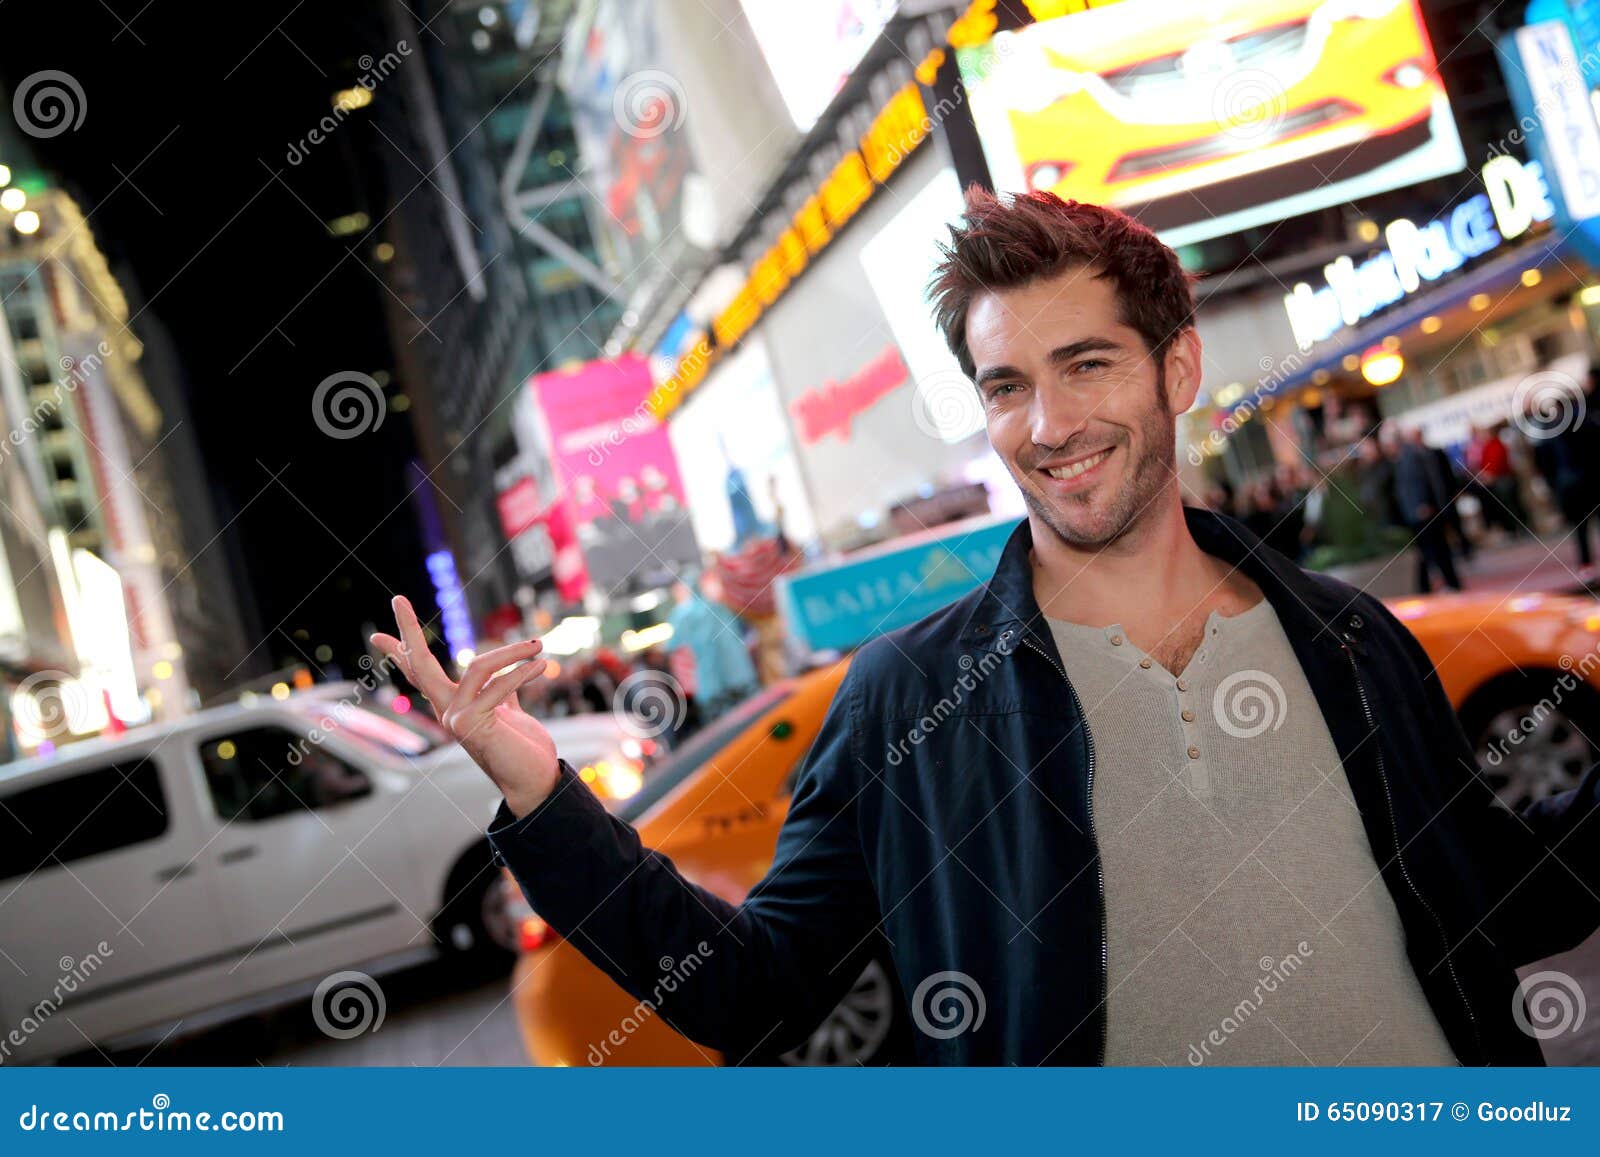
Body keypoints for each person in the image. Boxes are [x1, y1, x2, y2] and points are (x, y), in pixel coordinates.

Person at [374, 190, 1600, 1066]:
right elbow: (751, 990)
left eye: (1086, 365)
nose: (1048, 422)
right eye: (1007, 384)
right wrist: (543, 795)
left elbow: (1516, 899)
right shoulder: (908, 700)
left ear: (1176, 369)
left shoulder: (1348, 638)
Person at [662, 567, 759, 723]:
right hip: (735, 671)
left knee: (724, 722)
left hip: (713, 678)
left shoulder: (683, 614)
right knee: (750, 715)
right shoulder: (717, 607)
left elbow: (670, 645)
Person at [1531, 370, 1600, 569]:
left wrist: (1554, 486)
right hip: (1590, 480)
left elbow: (1545, 463)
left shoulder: (1549, 432)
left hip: (1569, 485)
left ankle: (1586, 564)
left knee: (1580, 527)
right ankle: (1586, 563)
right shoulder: (1586, 423)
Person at [1394, 426, 1462, 593]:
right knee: (1432, 551)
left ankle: (1447, 584)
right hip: (1422, 512)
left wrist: (1425, 504)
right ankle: (1435, 585)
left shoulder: (1416, 456)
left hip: (1426, 512)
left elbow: (1422, 483)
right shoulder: (1409, 456)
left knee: (1437, 549)